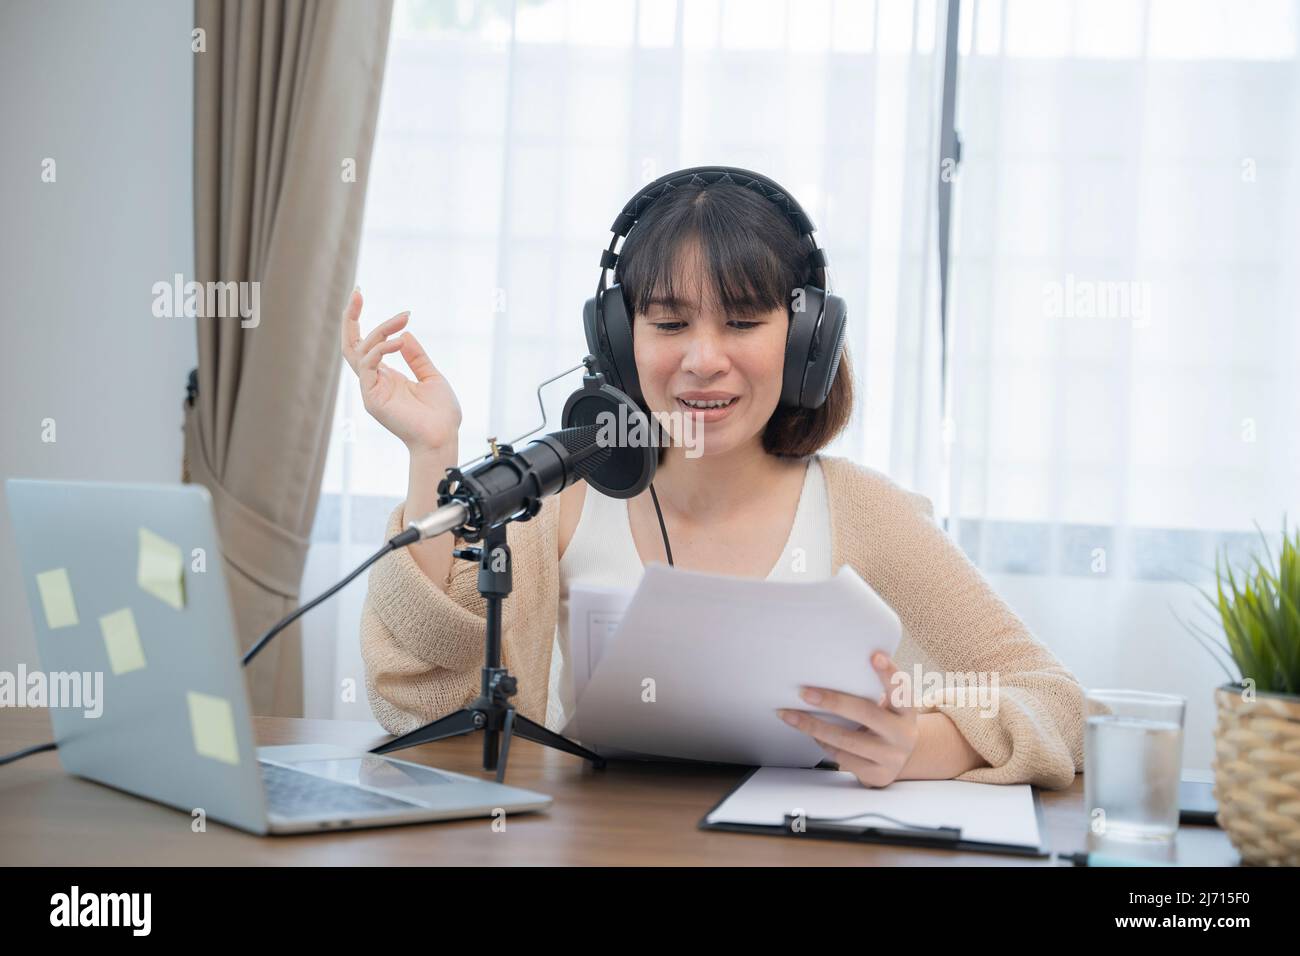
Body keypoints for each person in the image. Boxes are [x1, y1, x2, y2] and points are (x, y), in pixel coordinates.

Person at [341, 179, 1084, 789]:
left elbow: (1056, 702)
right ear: (618, 341)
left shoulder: (861, 510)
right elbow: (422, 703)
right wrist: (431, 453)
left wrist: (917, 743)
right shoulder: (565, 500)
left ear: (804, 343)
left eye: (741, 321)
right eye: (668, 324)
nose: (703, 359)